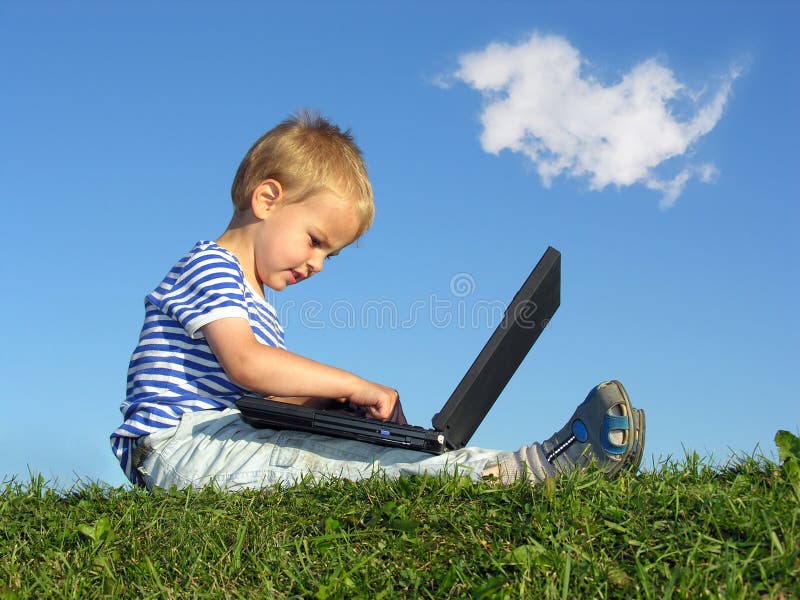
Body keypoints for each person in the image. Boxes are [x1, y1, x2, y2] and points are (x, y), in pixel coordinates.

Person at [110, 111, 645, 491]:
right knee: (344, 467)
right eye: (315, 241)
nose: (316, 264)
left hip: (222, 435)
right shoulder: (210, 266)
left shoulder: (252, 297)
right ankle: (527, 470)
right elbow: (247, 366)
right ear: (267, 199)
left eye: (330, 255)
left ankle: (457, 461)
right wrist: (352, 385)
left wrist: (330, 409)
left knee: (360, 450)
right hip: (179, 449)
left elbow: (259, 398)